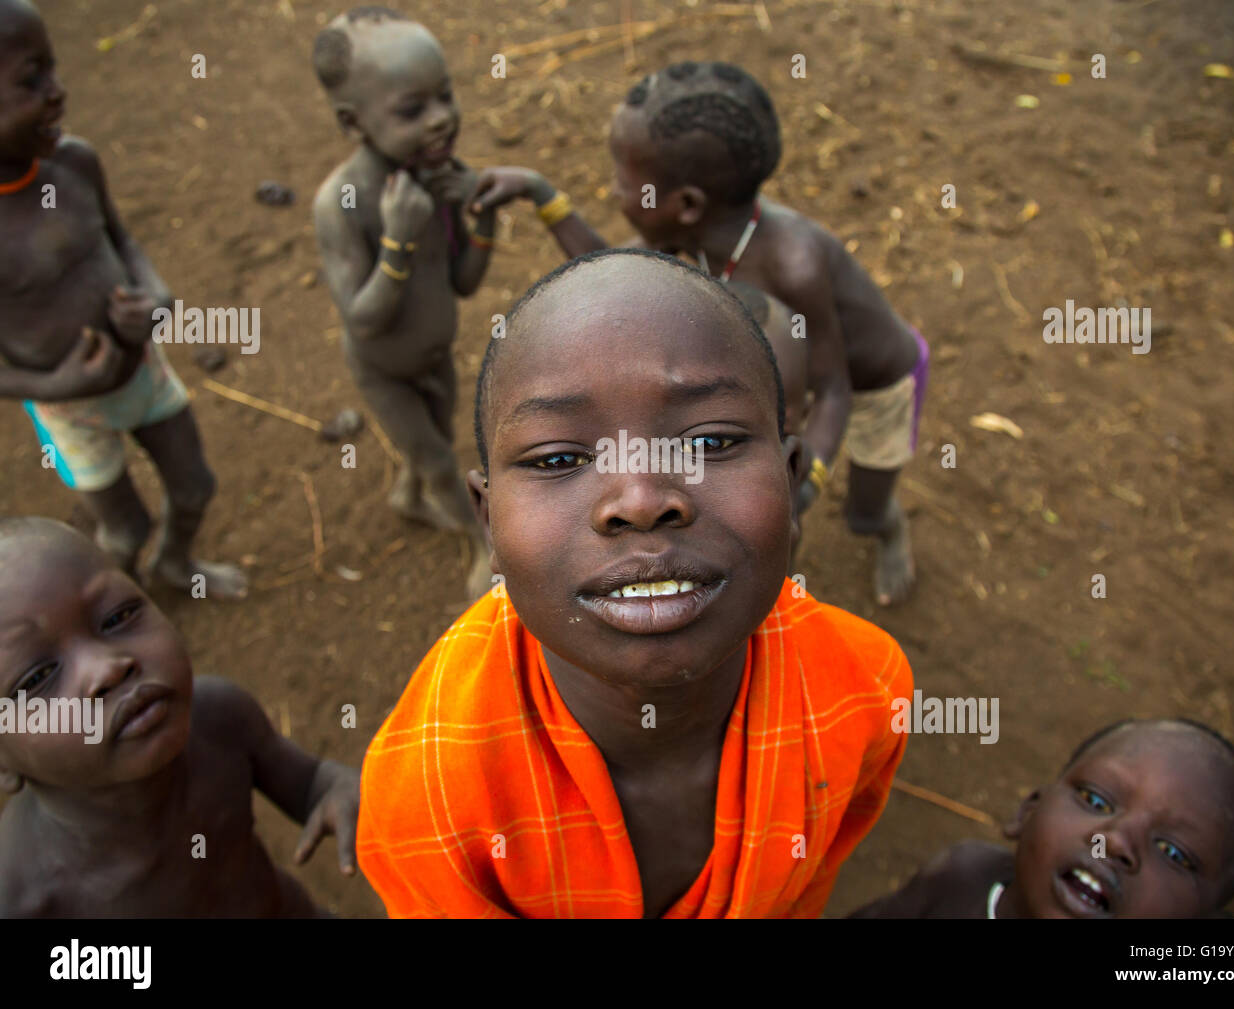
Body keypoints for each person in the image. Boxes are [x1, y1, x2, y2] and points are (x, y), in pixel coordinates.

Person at [357, 249, 913, 918]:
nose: (642, 500)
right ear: (490, 524)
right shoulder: (429, 795)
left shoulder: (864, 692)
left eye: (709, 442)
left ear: (792, 482)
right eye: (558, 458)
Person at [473, 61, 928, 605]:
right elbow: (608, 272)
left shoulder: (793, 266)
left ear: (685, 204)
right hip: (787, 379)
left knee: (860, 513)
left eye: (624, 182)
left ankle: (887, 527)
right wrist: (542, 194)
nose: (614, 191)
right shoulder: (699, 233)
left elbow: (834, 389)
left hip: (874, 385)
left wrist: (805, 484)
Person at [0, 0, 245, 599]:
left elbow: (123, 242)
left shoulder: (75, 163)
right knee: (124, 528)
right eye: (31, 80)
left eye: (53, 68)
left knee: (195, 486)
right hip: (68, 411)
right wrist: (57, 382)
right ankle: (119, 610)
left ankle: (175, 564)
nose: (57, 91)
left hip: (142, 373)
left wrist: (156, 297)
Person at [0, 518, 361, 916]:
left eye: (118, 617)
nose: (108, 669)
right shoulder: (22, 895)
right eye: (37, 678)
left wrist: (341, 791)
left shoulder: (219, 719)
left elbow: (312, 784)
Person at [312, 5, 494, 597]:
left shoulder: (438, 176)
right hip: (384, 371)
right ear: (353, 121)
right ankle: (484, 547)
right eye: (413, 111)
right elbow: (362, 319)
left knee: (435, 435)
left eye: (445, 96)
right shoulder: (342, 202)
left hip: (435, 358)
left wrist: (483, 217)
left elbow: (463, 282)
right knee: (440, 459)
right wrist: (398, 242)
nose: (441, 119)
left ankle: (407, 498)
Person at [848, 718, 1234, 918]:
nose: (1116, 841)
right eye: (1096, 800)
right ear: (1028, 811)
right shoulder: (960, 881)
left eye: (1174, 853)